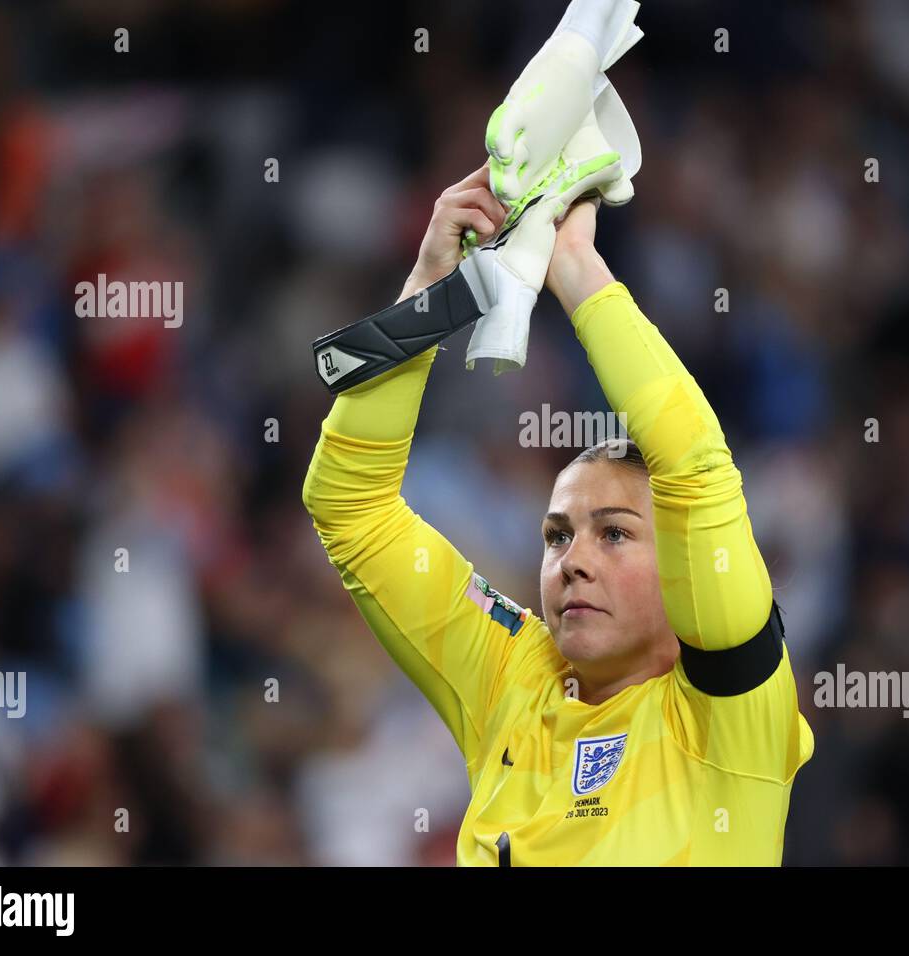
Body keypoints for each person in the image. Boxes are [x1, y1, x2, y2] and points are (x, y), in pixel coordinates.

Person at [301, 162, 815, 865]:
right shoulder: (510, 679)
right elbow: (349, 508)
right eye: (556, 536)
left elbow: (695, 465)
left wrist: (574, 263)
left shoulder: (730, 713)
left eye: (614, 534)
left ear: (689, 569)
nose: (573, 560)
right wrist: (429, 288)